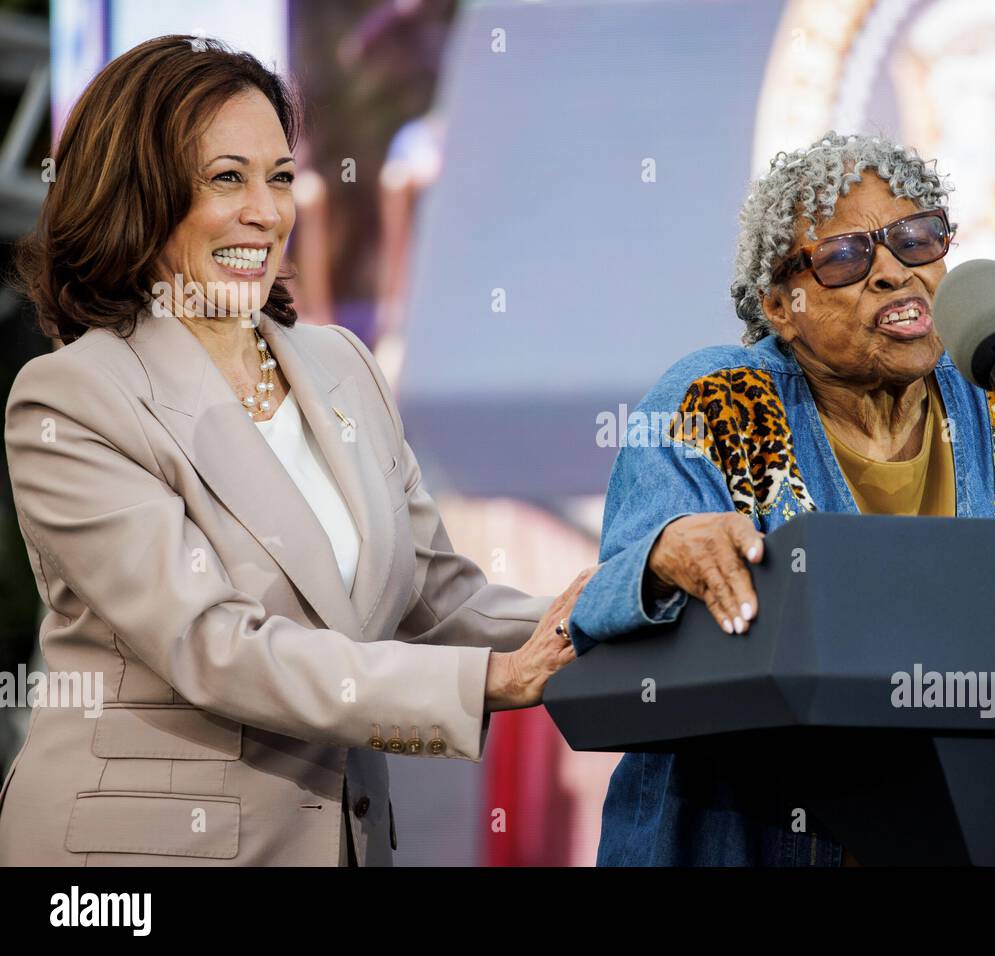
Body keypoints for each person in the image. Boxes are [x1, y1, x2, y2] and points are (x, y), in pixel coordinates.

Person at [0, 35, 590, 866]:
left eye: (278, 177)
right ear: (141, 194)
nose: (266, 212)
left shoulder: (341, 363)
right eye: (227, 178)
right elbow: (215, 647)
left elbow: (438, 600)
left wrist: (602, 617)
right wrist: (491, 685)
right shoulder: (74, 397)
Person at [568, 131, 995, 866]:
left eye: (915, 239)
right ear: (781, 307)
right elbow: (606, 602)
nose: (891, 273)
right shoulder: (716, 398)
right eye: (846, 256)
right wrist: (662, 556)